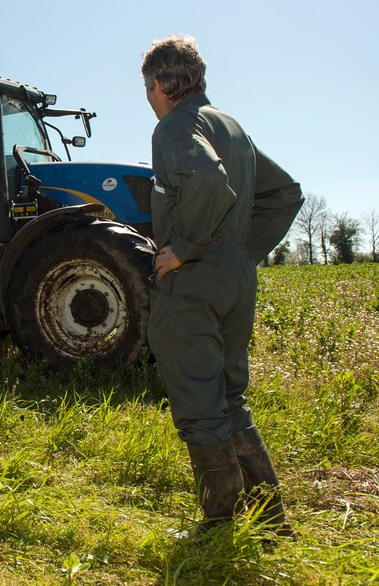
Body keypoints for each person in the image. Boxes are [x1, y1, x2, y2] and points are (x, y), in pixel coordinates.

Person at [141, 36, 303, 538]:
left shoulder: (175, 127)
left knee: (199, 403)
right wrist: (241, 252)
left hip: (195, 277)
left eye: (146, 86)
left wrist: (185, 248)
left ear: (159, 85)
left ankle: (221, 523)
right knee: (230, 398)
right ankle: (269, 518)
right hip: (235, 274)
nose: (146, 95)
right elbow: (285, 193)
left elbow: (208, 182)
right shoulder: (231, 126)